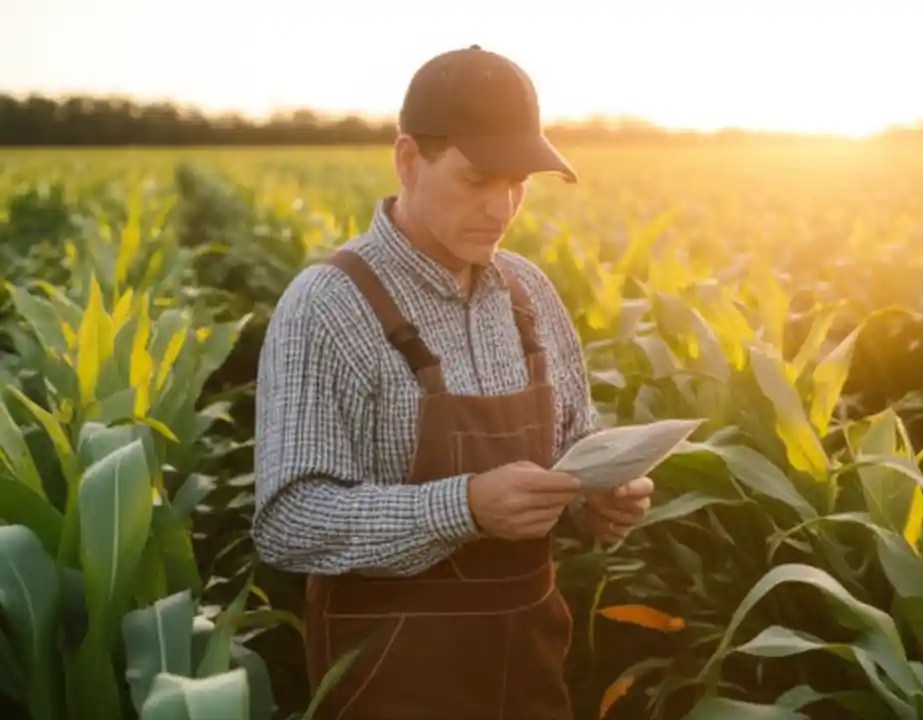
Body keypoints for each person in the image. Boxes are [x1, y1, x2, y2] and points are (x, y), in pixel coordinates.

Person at [251, 44, 654, 719]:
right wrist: (463, 507)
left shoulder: (531, 292)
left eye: (518, 182)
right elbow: (289, 521)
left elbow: (575, 449)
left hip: (529, 671)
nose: (501, 208)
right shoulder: (327, 304)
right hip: (388, 679)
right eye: (477, 180)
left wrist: (599, 502)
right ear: (409, 160)